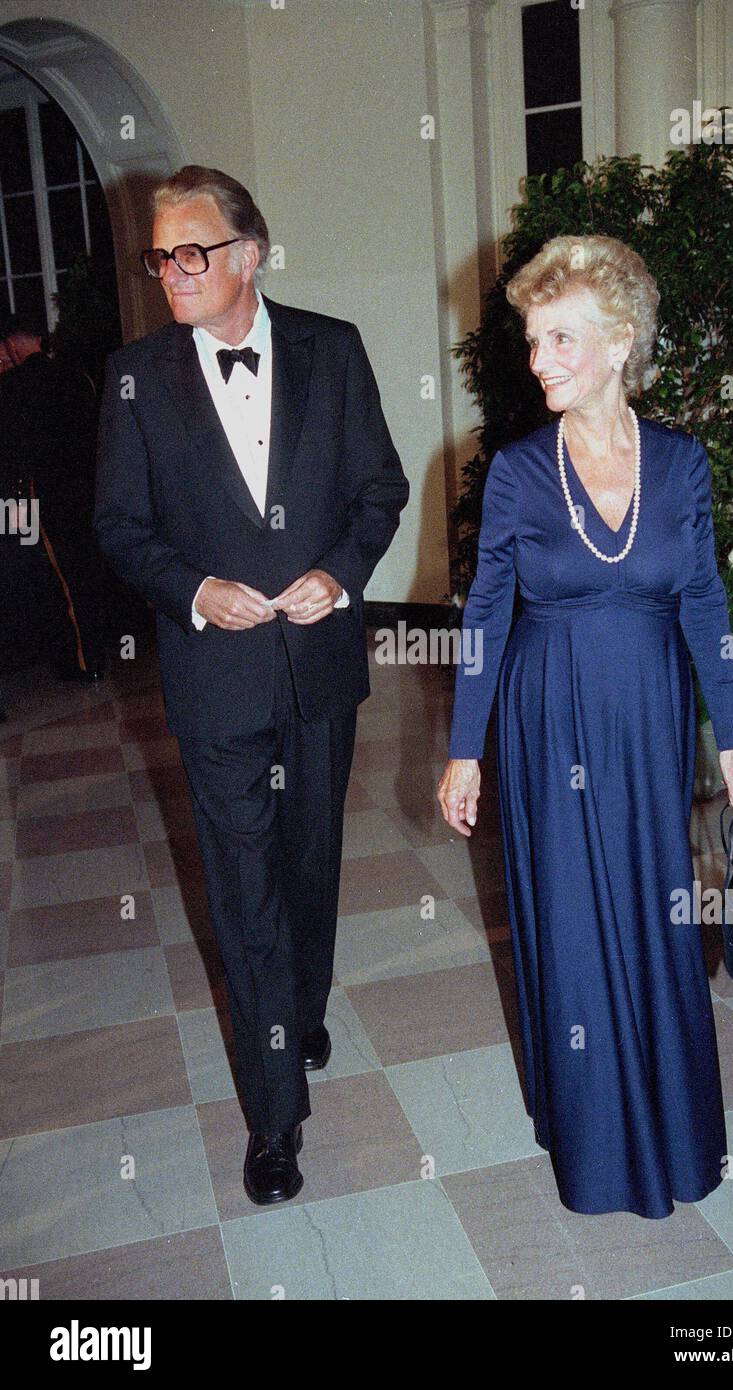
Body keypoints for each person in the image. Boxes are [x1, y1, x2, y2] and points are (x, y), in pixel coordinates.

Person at [94, 166, 408, 1205]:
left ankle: (300, 1006)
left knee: (311, 863)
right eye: (160, 256)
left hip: (318, 667)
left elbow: (380, 489)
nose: (172, 272)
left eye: (192, 251)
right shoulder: (134, 377)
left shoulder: (334, 349)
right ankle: (275, 1117)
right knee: (244, 887)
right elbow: (118, 527)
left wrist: (340, 574)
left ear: (250, 252)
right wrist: (194, 591)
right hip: (214, 680)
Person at [437, 234, 733, 1219]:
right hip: (550, 720)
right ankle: (595, 1145)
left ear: (620, 342)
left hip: (650, 717)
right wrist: (463, 751)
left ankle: (673, 1131)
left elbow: (702, 598)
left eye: (560, 339)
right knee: (575, 920)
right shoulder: (516, 472)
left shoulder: (682, 463)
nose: (539, 361)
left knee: (657, 909)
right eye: (533, 341)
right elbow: (485, 614)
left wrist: (732, 731)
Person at [0, 316, 105, 683]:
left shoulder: (13, 386)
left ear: (13, 344)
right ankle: (91, 654)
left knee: (53, 578)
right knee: (83, 571)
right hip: (85, 490)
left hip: (34, 498)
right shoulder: (78, 377)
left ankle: (80, 659)